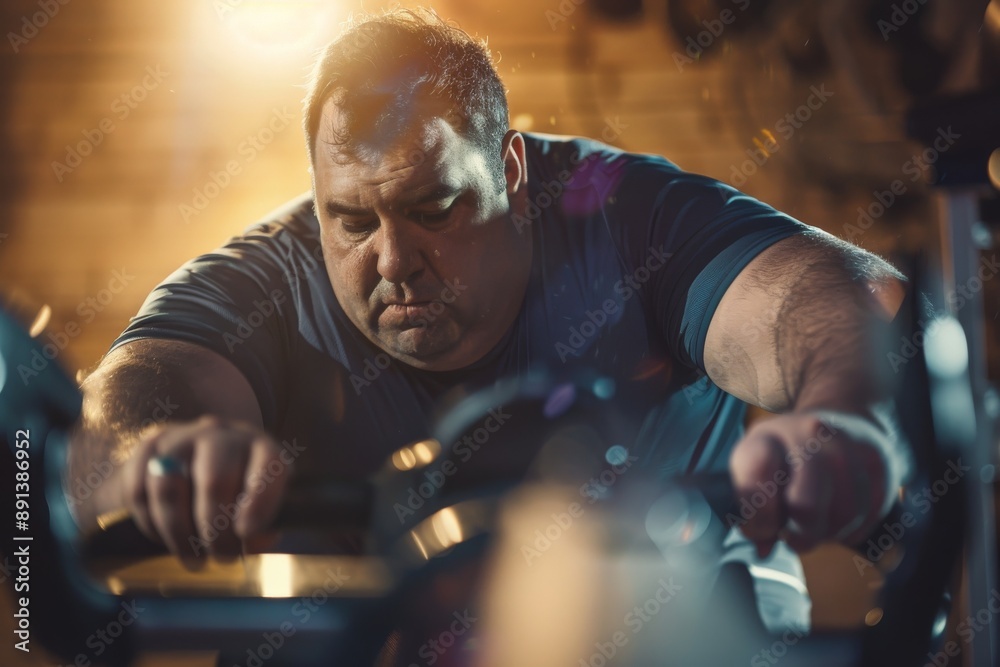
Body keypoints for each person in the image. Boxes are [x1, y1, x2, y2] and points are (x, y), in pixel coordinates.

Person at [69, 8, 908, 633]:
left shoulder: (621, 214)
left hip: (672, 614)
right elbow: (129, 398)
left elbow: (832, 295)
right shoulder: (269, 273)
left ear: (509, 168)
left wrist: (840, 410)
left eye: (433, 207)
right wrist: (157, 452)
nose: (392, 260)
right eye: (353, 221)